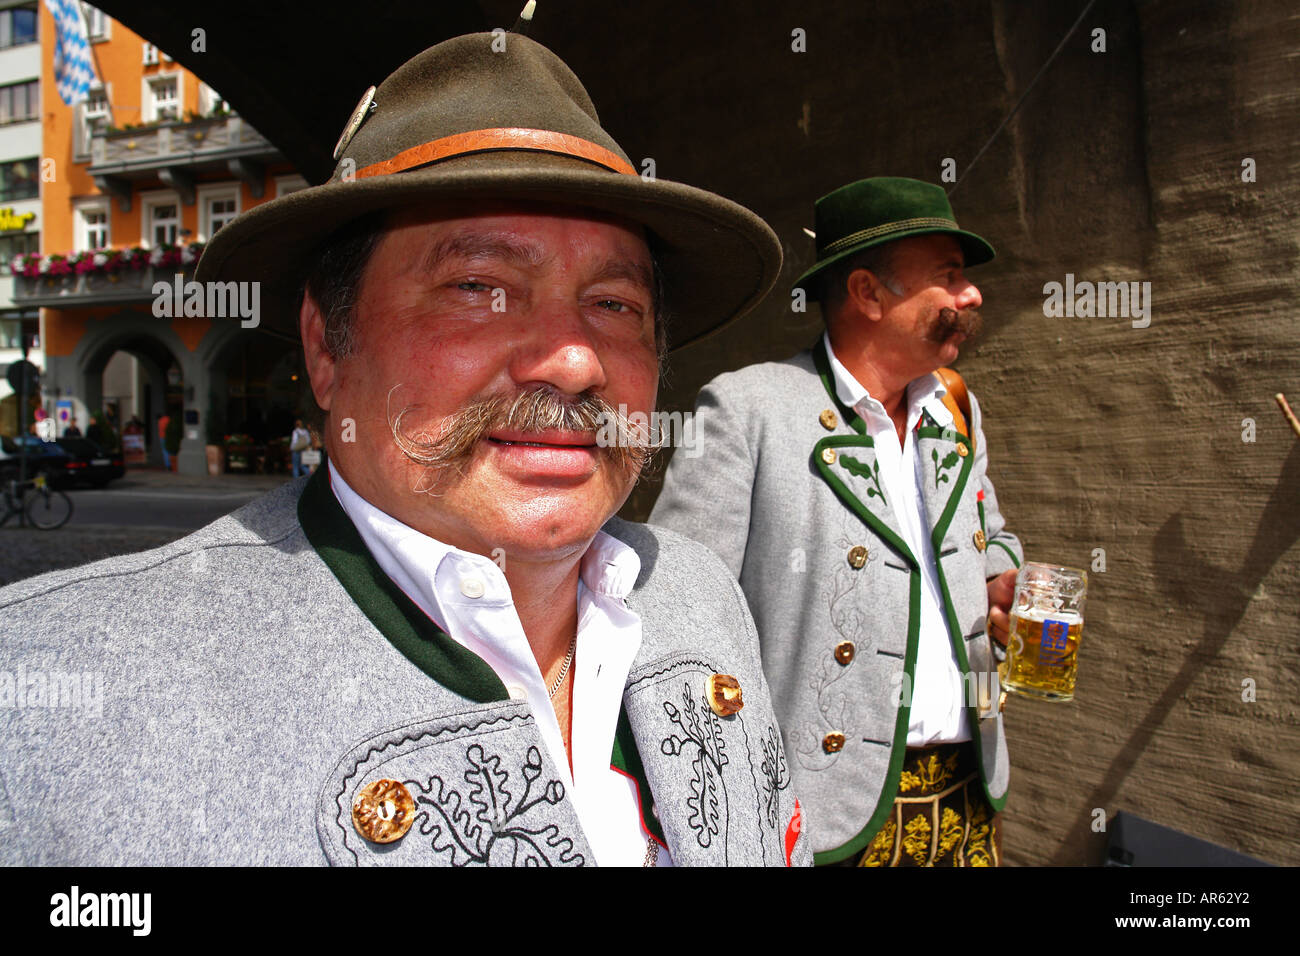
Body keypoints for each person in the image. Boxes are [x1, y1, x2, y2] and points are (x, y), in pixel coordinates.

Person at [0, 31, 808, 867]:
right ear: (326, 345)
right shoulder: (51, 702)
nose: (573, 361)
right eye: (478, 289)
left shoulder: (699, 594)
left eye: (612, 304)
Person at [652, 177, 1023, 866]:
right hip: (818, 815)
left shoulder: (958, 411)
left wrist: (1006, 582)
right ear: (868, 294)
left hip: (969, 795)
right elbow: (679, 622)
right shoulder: (747, 411)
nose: (971, 296)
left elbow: (992, 537)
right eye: (948, 276)